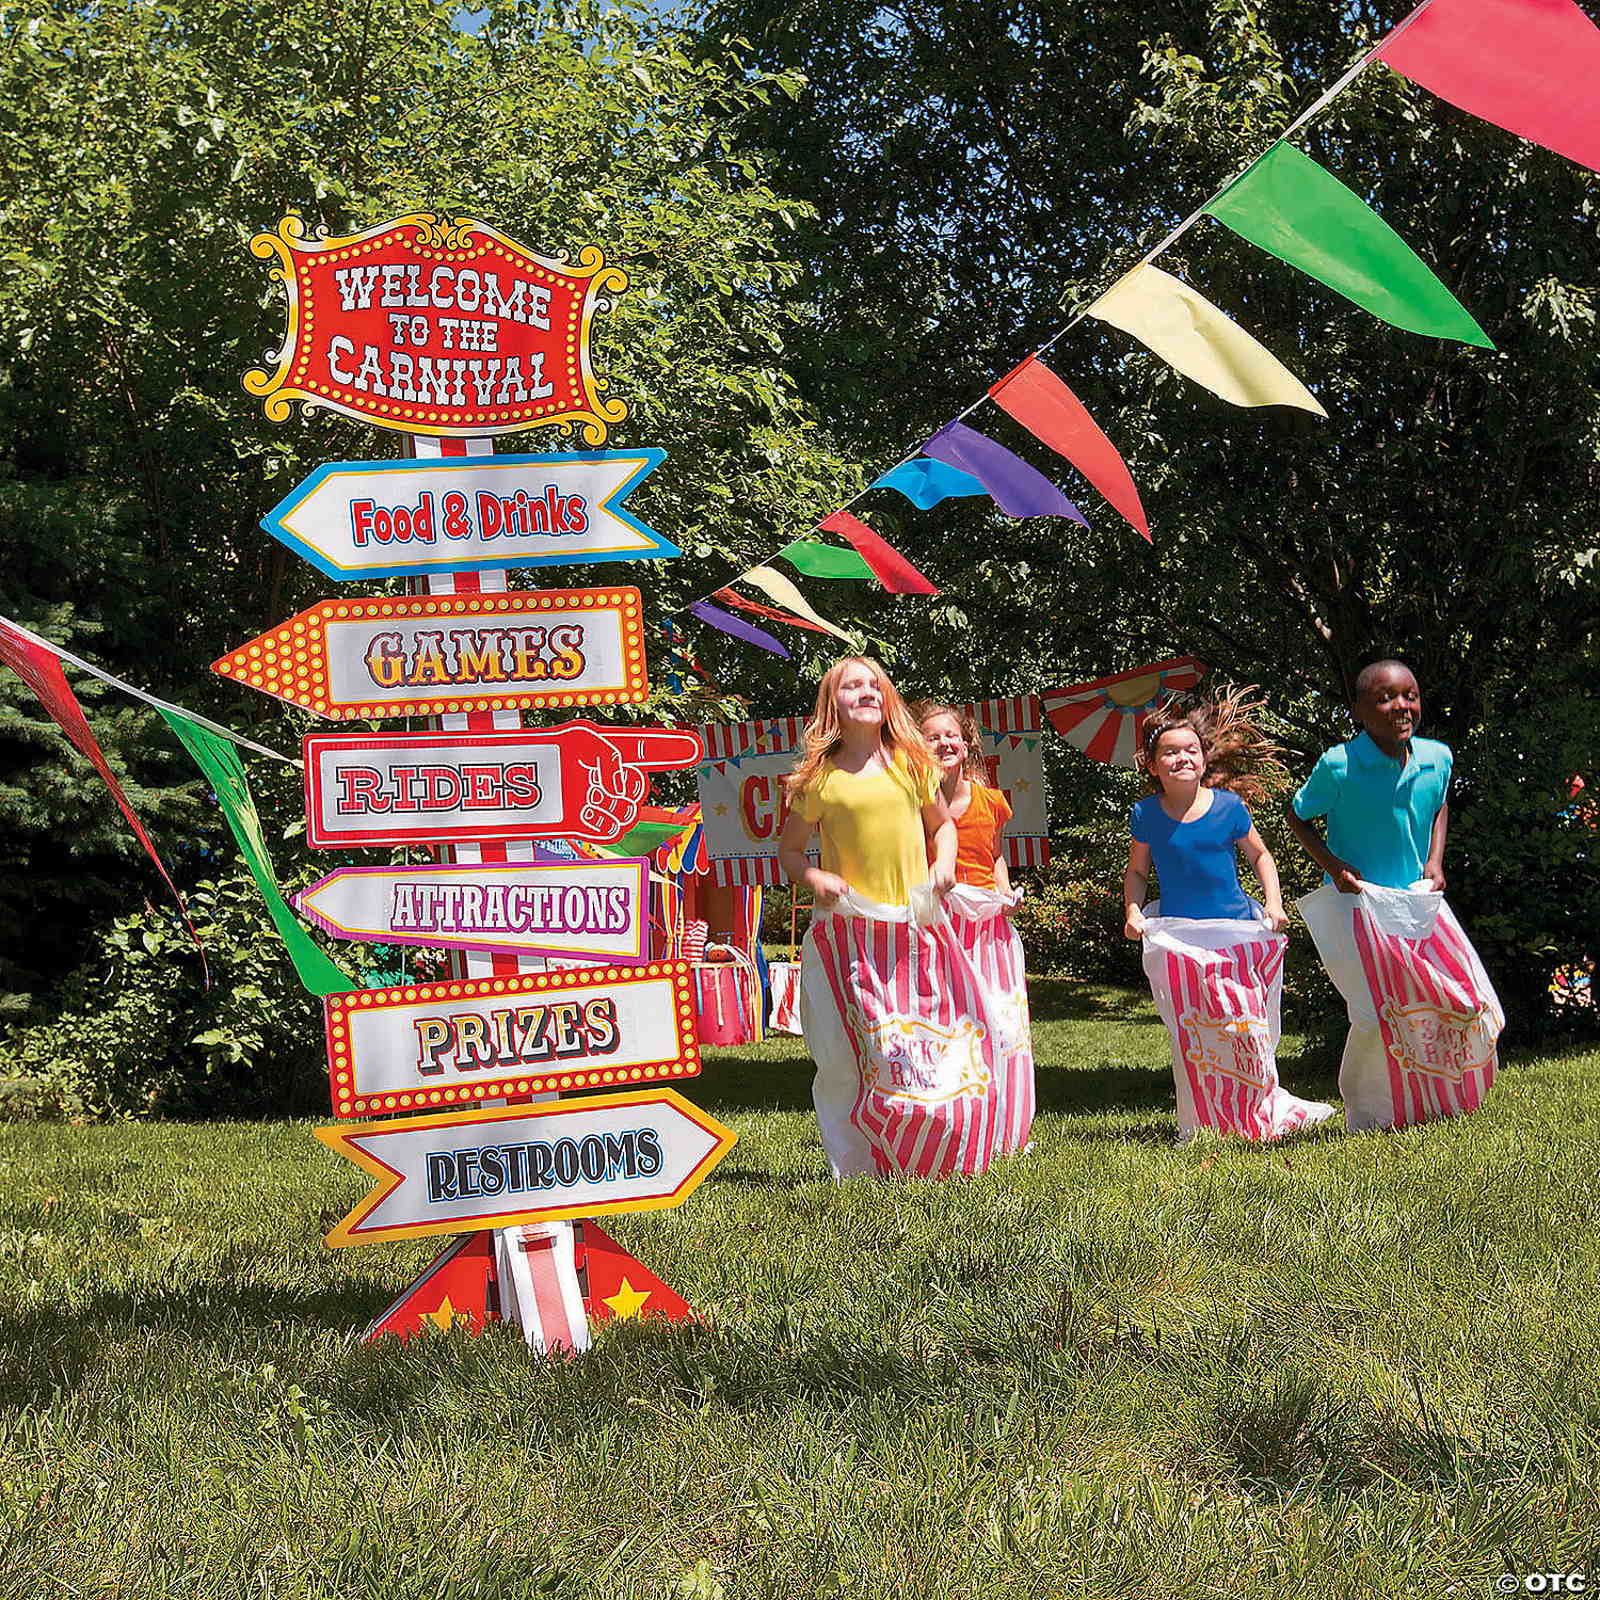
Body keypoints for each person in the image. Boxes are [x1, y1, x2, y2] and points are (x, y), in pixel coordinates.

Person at [778, 658, 1007, 1179]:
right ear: (832, 704)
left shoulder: (912, 764)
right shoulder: (819, 779)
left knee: (919, 1037)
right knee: (870, 1044)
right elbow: (789, 851)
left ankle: (934, 1146)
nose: (865, 691)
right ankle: (866, 1157)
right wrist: (814, 877)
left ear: (888, 700)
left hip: (914, 926)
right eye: (851, 685)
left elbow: (943, 828)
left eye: (874, 684)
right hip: (852, 932)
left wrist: (943, 864)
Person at [1288, 660, 1502, 1130]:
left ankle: (1434, 1098)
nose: (1401, 706)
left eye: (1410, 695)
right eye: (1385, 699)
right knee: (1372, 1012)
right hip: (1356, 907)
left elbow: (1440, 803)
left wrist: (1435, 860)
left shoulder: (1436, 757)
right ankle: (1366, 1112)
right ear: (1359, 711)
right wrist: (1334, 867)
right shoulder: (1339, 765)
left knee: (1445, 1000)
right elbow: (1297, 816)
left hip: (1415, 904)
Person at [1124, 690, 1335, 1141]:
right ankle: (1204, 1119)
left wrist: (1274, 903)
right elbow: (1138, 871)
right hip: (1180, 938)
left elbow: (1261, 856)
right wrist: (1133, 911)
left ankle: (1257, 1112)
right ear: (1153, 765)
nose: (1182, 758)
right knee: (1195, 1033)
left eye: (1190, 750)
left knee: (1246, 1027)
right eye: (1170, 752)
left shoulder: (1228, 807)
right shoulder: (1146, 815)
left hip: (1237, 932)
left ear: (1204, 759)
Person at [914, 699, 1034, 1155]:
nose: (944, 743)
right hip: (938, 927)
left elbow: (995, 855)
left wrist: (1006, 893)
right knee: (947, 1023)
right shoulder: (913, 804)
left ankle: (1005, 1124)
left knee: (1000, 1022)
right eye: (933, 737)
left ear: (966, 745)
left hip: (987, 930)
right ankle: (955, 1121)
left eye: (952, 736)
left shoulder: (992, 802)